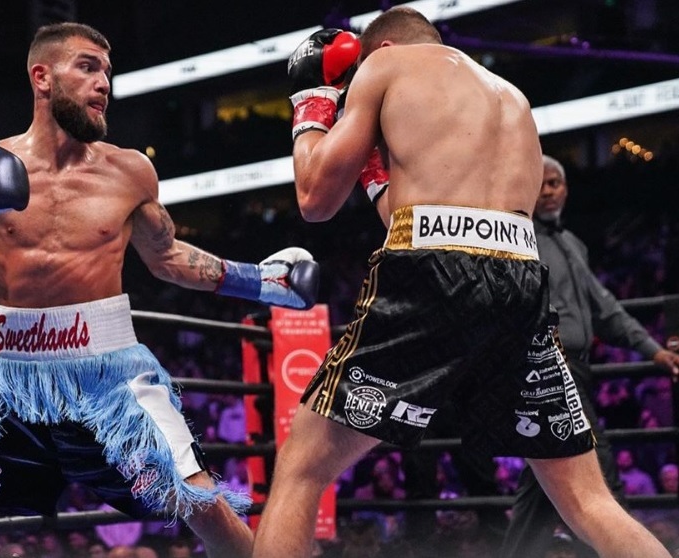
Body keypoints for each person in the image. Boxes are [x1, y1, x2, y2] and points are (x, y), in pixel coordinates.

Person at [0, 21, 321, 558]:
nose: (104, 83)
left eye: (107, 72)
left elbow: (169, 257)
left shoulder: (130, 171)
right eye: (87, 67)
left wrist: (264, 283)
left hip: (111, 377)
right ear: (42, 77)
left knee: (206, 508)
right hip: (7, 380)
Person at [251, 6, 671, 558]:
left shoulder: (385, 68)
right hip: (521, 278)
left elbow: (314, 199)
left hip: (431, 270)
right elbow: (417, 209)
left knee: (302, 465)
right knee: (588, 499)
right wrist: (376, 170)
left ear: (381, 50)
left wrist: (313, 104)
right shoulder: (509, 95)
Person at [499, 153, 679, 558]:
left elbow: (604, 307)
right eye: (540, 183)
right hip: (547, 368)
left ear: (565, 188)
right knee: (600, 472)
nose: (547, 191)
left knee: (544, 485)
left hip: (578, 369)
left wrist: (652, 351)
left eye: (555, 183)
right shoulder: (517, 242)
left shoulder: (572, 243)